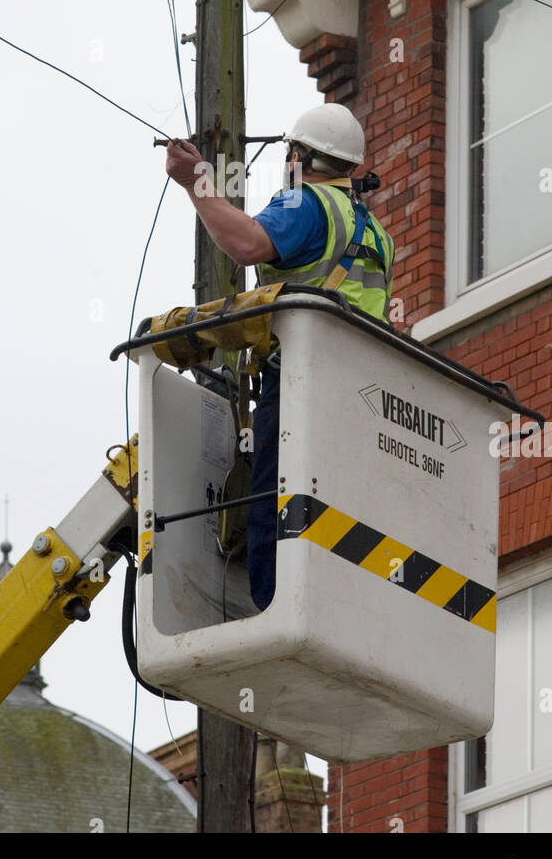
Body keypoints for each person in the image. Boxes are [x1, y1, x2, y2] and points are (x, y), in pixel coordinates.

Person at [165, 104, 395, 610]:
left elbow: (247, 243)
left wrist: (196, 182)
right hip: (363, 389)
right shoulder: (376, 233)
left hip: (300, 380)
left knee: (277, 498)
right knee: (335, 503)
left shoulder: (306, 203)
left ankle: (274, 610)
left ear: (299, 156)